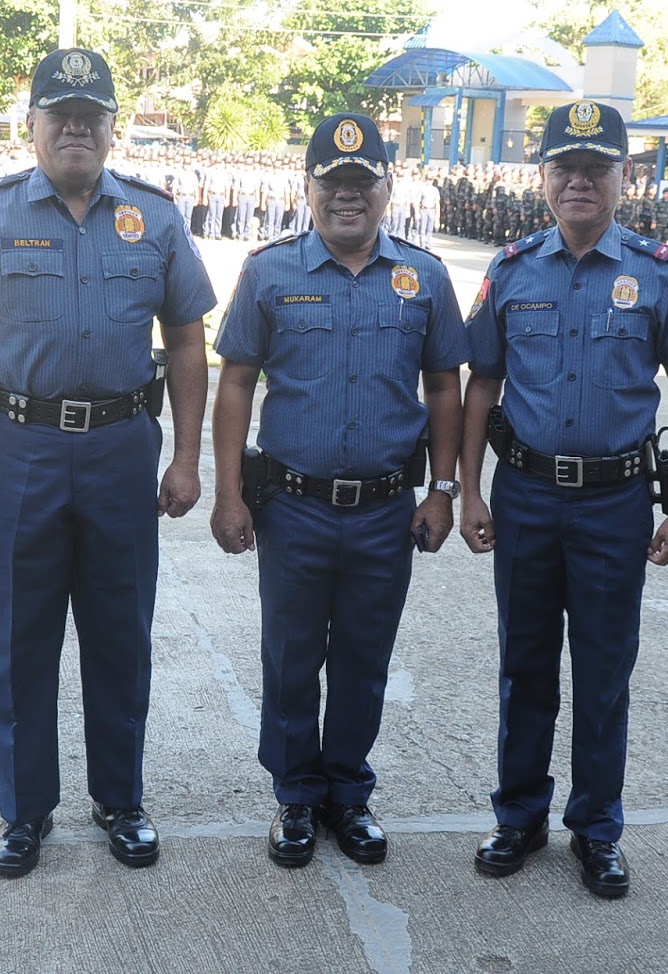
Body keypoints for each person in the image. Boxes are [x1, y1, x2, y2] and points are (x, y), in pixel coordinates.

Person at [0, 47, 217, 879]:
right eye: (60, 113)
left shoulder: (154, 219)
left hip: (121, 450)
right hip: (16, 453)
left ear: (112, 129)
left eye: (91, 114)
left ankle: (121, 799)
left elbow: (188, 340)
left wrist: (188, 459)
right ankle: (24, 810)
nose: (75, 127)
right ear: (33, 125)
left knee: (122, 637)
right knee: (18, 639)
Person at [458, 100, 668, 899]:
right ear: (542, 178)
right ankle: (520, 818)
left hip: (615, 505)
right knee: (525, 666)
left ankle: (597, 830)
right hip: (527, 495)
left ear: (622, 177)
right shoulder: (511, 270)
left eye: (595, 168)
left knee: (605, 673)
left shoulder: (662, 272)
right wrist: (468, 488)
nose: (579, 182)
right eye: (564, 168)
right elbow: (482, 386)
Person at [209, 113, 470, 868]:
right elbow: (236, 386)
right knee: (290, 657)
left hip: (388, 509)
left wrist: (443, 489)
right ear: (309, 188)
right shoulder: (270, 271)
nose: (347, 197)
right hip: (291, 506)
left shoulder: (424, 276)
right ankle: (296, 797)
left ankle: (348, 795)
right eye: (334, 184)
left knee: (363, 657)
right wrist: (229, 493)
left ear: (388, 188)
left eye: (363, 184)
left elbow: (444, 388)